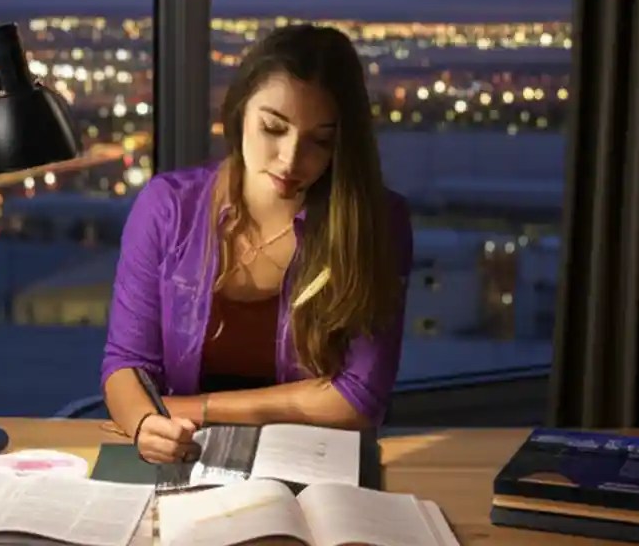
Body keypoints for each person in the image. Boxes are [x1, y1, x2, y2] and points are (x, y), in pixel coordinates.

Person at [100, 23, 413, 464]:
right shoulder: (168, 209)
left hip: (312, 464)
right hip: (185, 453)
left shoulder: (377, 223)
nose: (290, 159)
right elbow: (126, 364)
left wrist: (197, 409)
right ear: (239, 111)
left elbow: (359, 396)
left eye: (320, 140)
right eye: (273, 127)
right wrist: (145, 425)